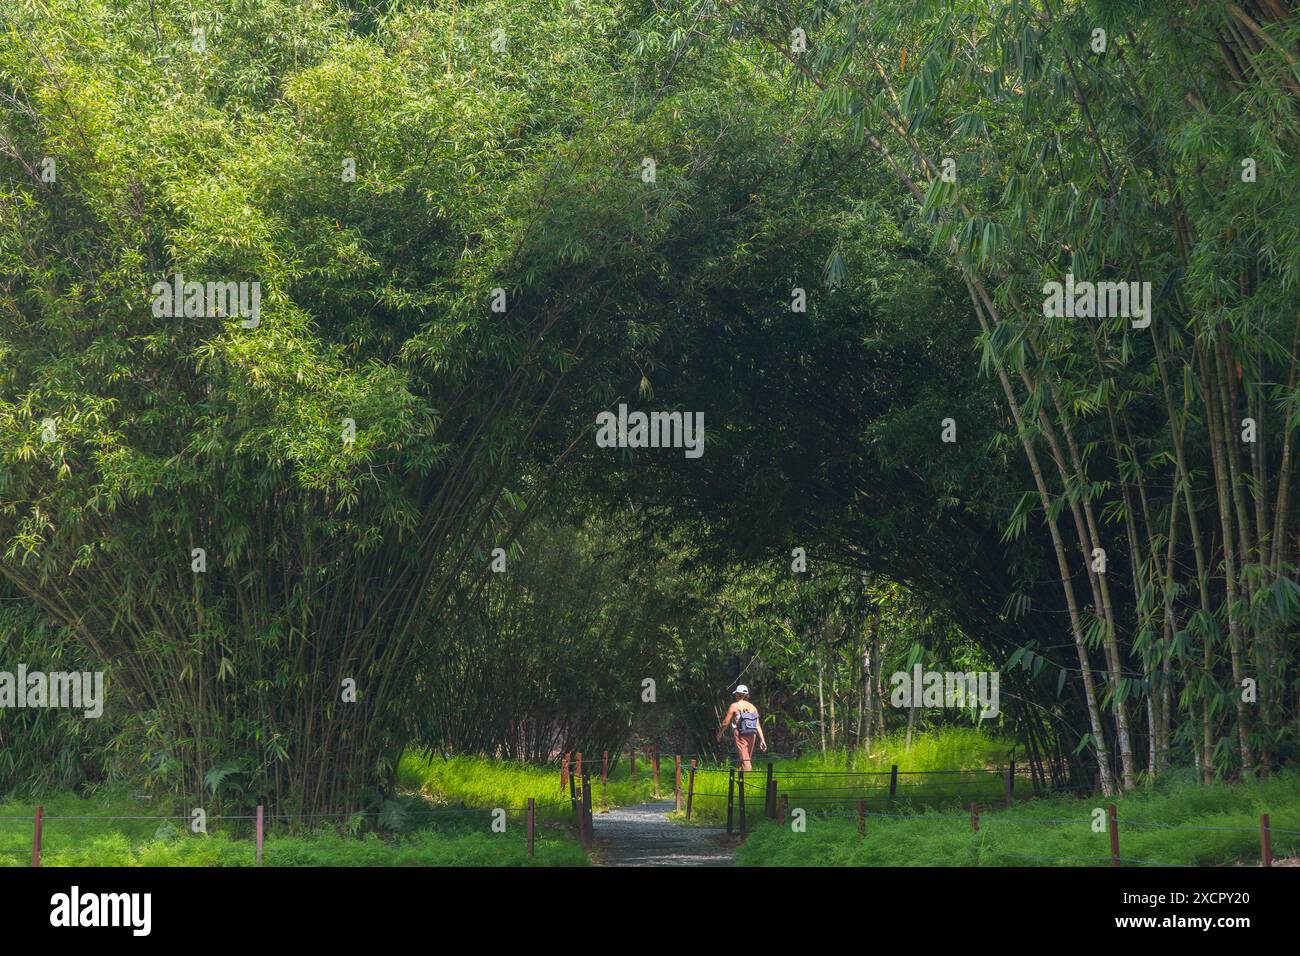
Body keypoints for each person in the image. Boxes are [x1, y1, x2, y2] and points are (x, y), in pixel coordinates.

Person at [716, 684, 766, 771]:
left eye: (736, 694)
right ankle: (741, 779)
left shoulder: (734, 706)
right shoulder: (752, 707)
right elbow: (757, 725)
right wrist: (762, 740)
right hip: (752, 734)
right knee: (745, 758)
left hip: (740, 734)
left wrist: (719, 734)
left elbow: (725, 723)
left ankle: (748, 780)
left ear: (738, 695)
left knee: (745, 761)